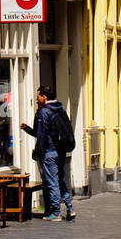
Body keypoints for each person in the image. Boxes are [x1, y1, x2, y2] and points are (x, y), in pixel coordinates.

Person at [21, 85, 75, 222]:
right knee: (59, 180)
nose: (36, 98)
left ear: (44, 97)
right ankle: (69, 207)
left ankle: (56, 212)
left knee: (52, 182)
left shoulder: (44, 112)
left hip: (49, 152)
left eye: (38, 95)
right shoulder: (60, 108)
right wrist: (27, 128)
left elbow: (41, 135)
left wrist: (38, 152)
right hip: (61, 151)